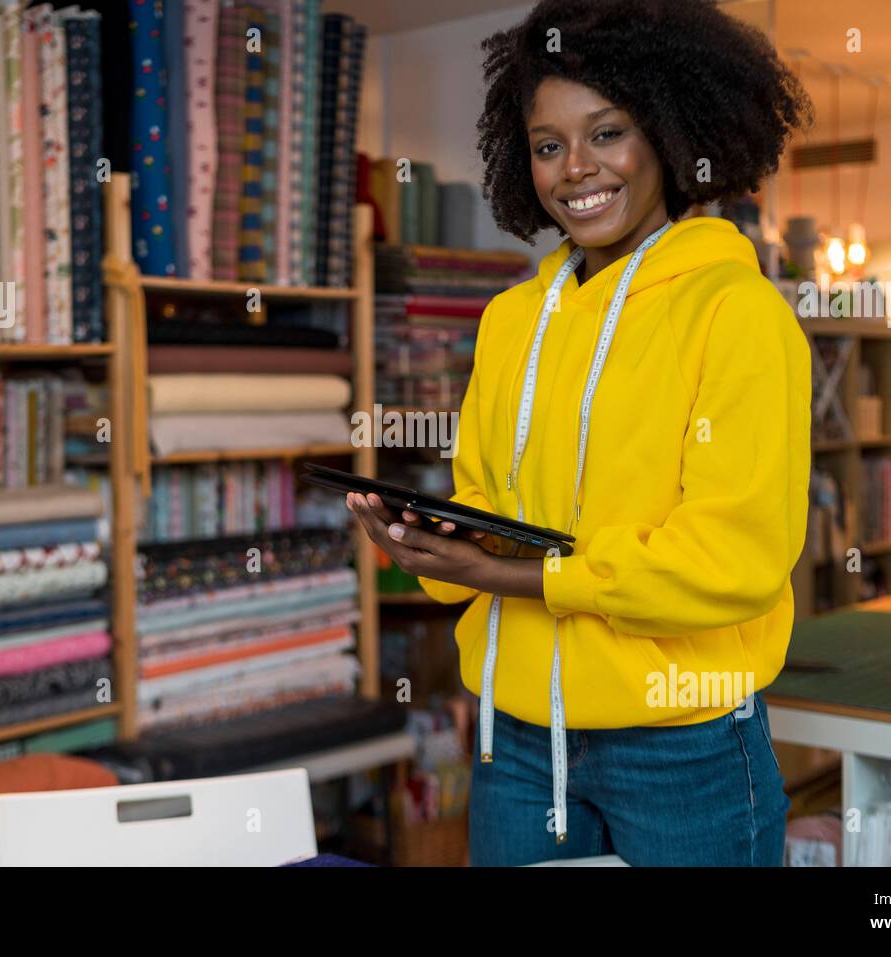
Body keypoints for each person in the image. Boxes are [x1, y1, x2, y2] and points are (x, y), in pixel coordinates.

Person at [346, 0, 813, 866]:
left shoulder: (736, 312)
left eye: (608, 133)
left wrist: (526, 577)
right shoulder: (510, 320)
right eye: (549, 144)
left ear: (673, 135)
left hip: (684, 740)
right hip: (518, 742)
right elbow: (491, 500)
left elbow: (732, 556)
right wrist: (438, 545)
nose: (576, 169)